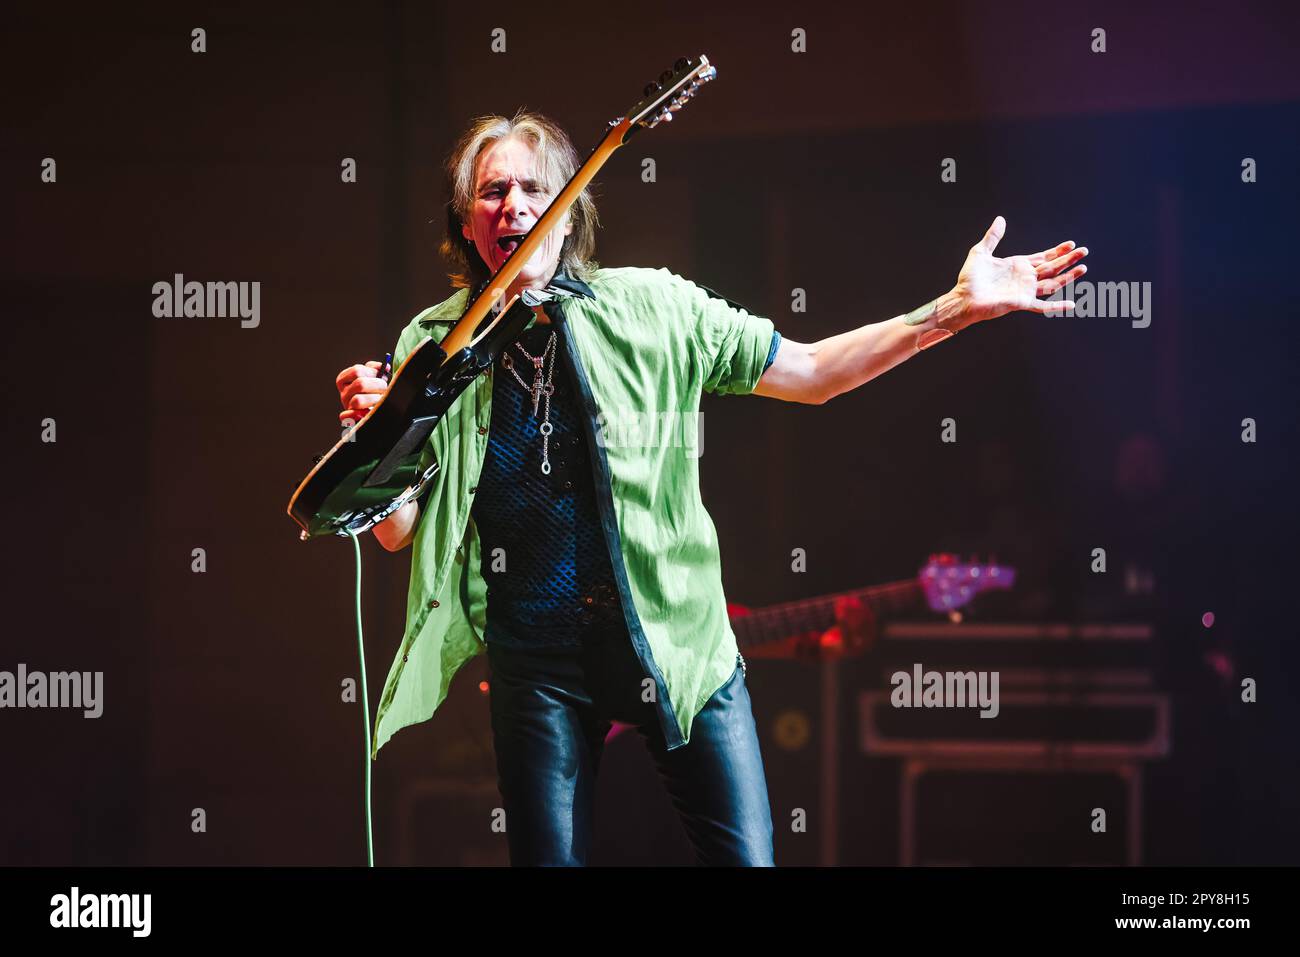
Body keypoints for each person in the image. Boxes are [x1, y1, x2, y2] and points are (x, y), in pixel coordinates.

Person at [333, 110, 1088, 866]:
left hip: (680, 646)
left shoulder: (657, 308)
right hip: (537, 663)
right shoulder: (431, 347)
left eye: (536, 188)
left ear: (569, 215)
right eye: (493, 190)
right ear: (467, 221)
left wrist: (953, 310)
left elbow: (816, 373)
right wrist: (374, 445)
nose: (515, 205)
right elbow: (403, 532)